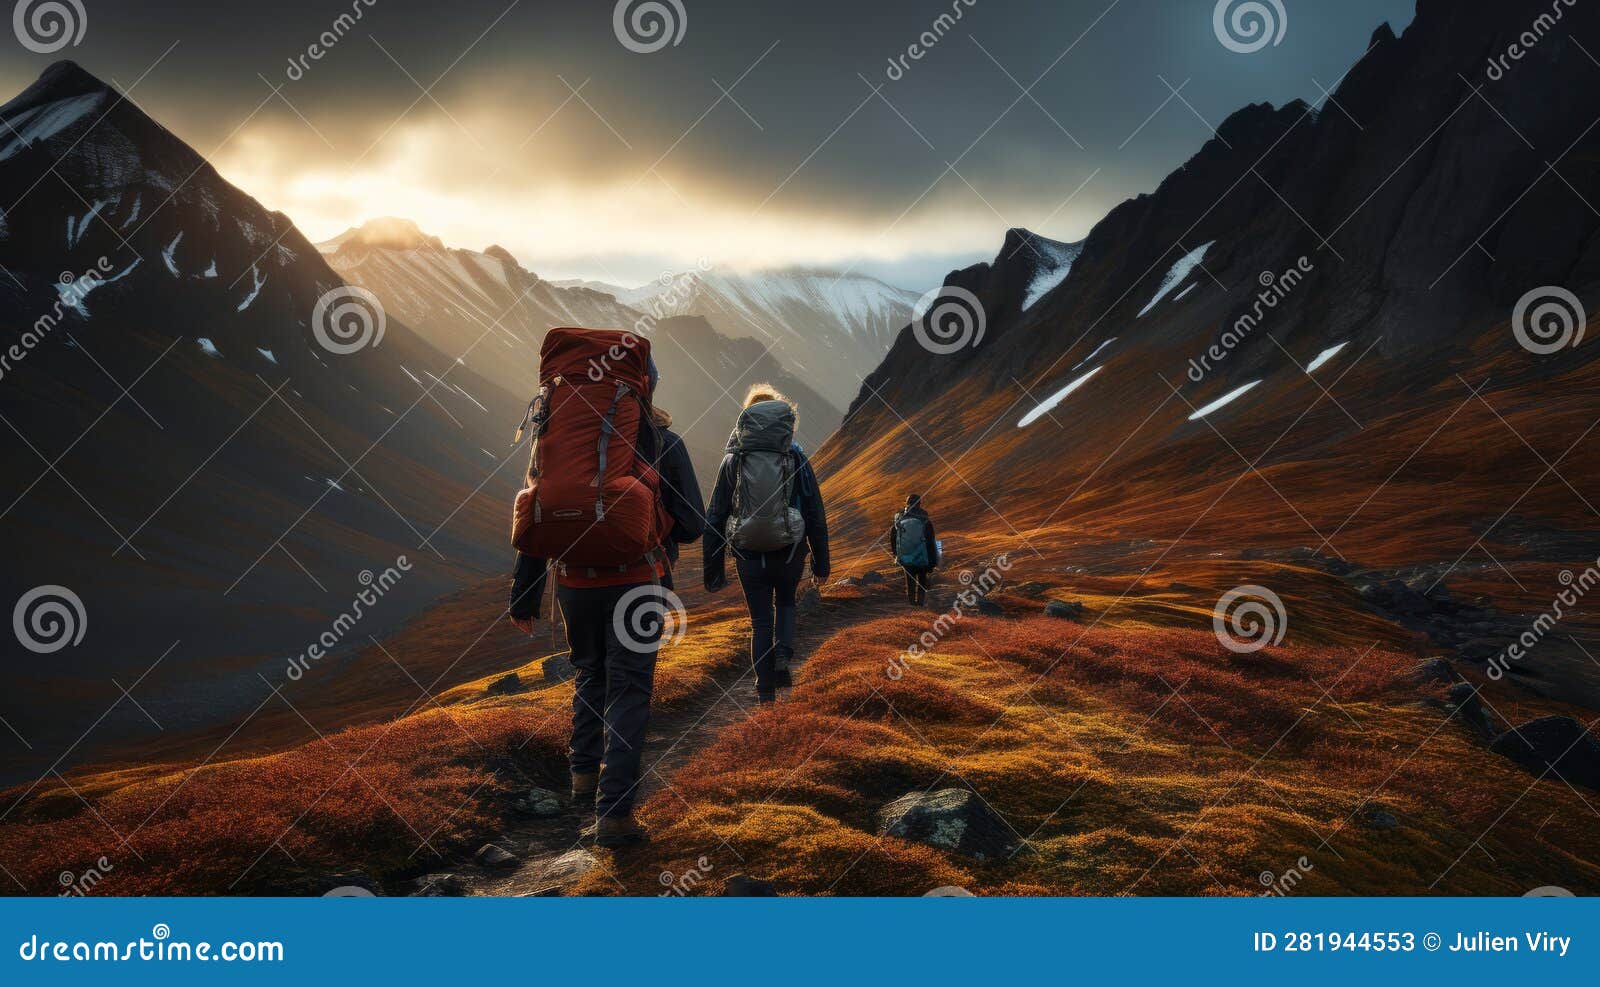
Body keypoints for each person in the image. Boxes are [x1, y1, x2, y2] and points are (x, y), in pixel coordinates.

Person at [509, 350, 703, 848]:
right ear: (646, 389)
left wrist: (525, 597)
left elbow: (537, 519)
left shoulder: (553, 441)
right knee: (631, 690)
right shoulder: (662, 440)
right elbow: (694, 524)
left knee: (590, 673)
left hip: (575, 585)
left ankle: (581, 779)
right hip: (638, 584)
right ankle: (614, 815)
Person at [704, 384, 829, 704]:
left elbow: (716, 514)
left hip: (748, 554)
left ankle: (765, 692)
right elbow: (814, 509)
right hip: (789, 552)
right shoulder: (796, 456)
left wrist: (713, 569)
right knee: (786, 603)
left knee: (760, 621)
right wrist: (821, 561)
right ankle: (783, 655)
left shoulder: (733, 459)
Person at [888, 494, 938, 606]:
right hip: (922, 556)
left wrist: (896, 554)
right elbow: (930, 541)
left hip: (905, 555)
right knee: (922, 580)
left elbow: (892, 537)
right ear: (919, 503)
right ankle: (920, 603)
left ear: (906, 503)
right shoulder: (925, 520)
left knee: (910, 581)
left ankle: (911, 604)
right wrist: (932, 561)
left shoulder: (899, 518)